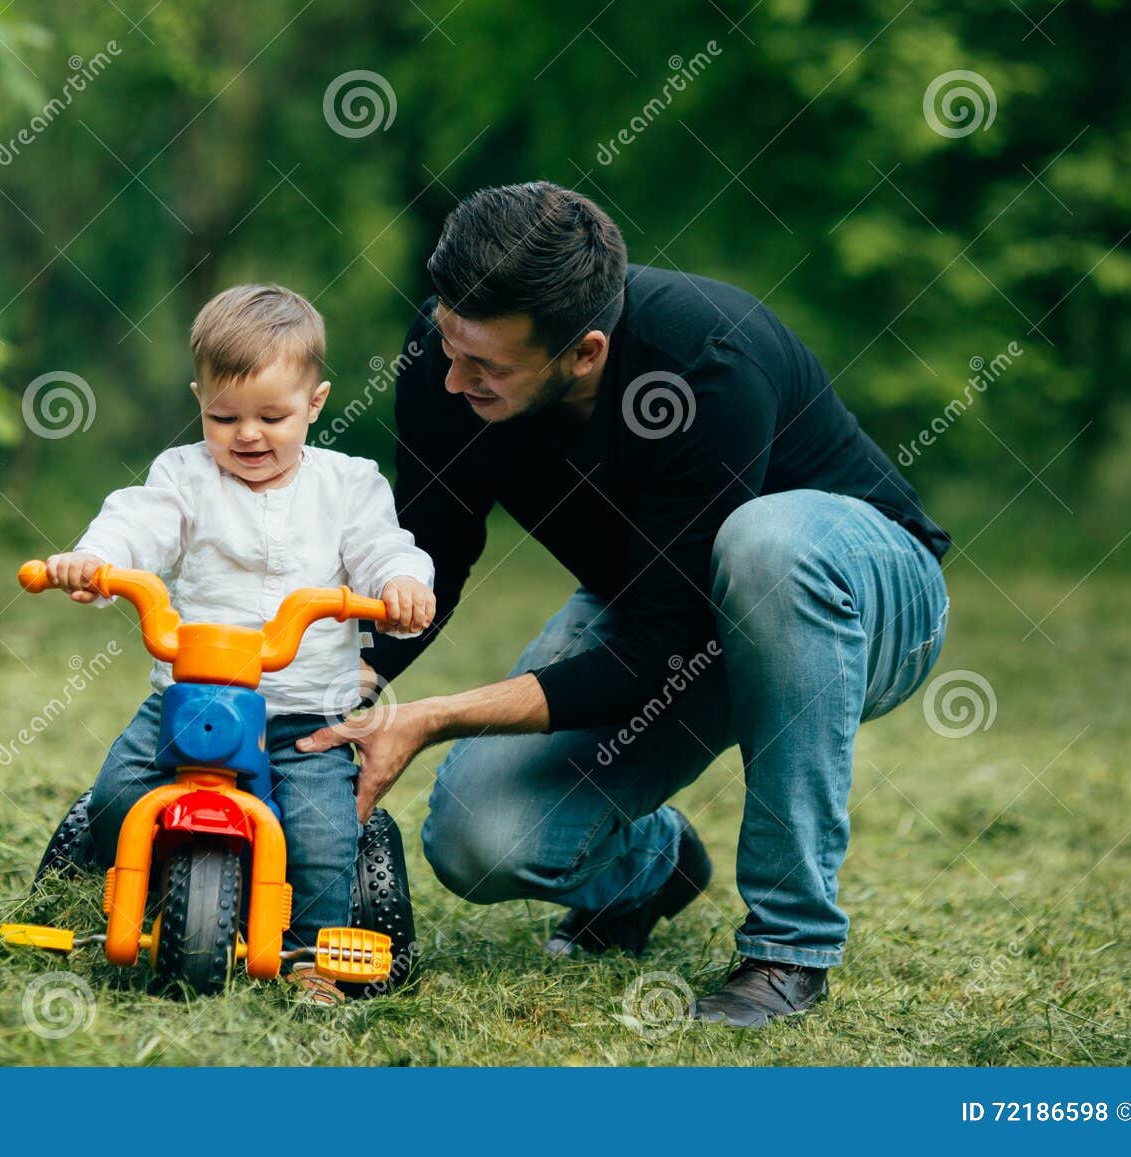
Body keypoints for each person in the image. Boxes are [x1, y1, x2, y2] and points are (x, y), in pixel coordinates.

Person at [296, 182, 952, 1026]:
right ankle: (653, 865)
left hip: (861, 599)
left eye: (485, 367)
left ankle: (789, 947)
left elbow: (655, 650)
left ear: (585, 352)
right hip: (667, 612)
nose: (451, 378)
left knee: (766, 542)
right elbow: (432, 549)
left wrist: (430, 717)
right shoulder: (446, 356)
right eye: (447, 341)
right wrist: (345, 678)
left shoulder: (706, 360)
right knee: (478, 836)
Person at [44, 284, 436, 1003]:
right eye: (223, 416)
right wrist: (95, 559)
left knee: (320, 831)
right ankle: (135, 895)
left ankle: (315, 956)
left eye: (272, 416)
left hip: (303, 715)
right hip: (188, 701)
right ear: (200, 400)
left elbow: (385, 546)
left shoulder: (348, 486)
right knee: (117, 796)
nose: (247, 435)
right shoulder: (185, 476)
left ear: (315, 403)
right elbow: (138, 524)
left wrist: (403, 582)